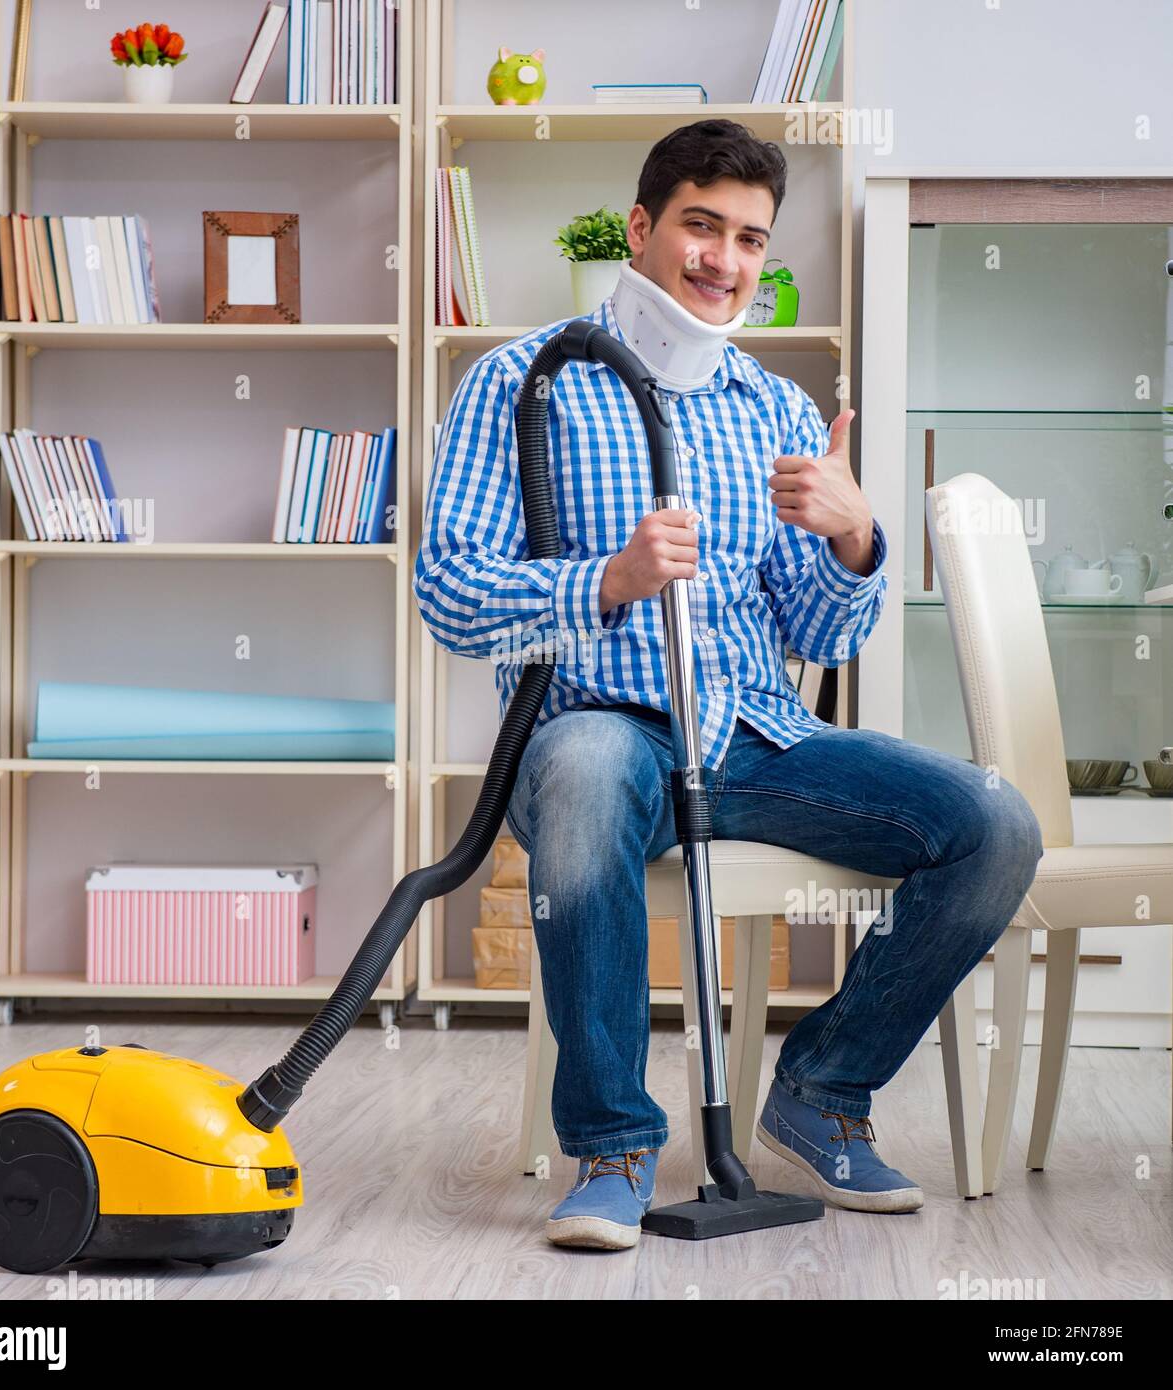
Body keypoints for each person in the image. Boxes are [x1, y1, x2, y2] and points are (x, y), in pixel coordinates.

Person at [413, 119, 1043, 1250]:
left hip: (754, 735)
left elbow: (817, 624)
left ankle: (820, 1091)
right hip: (587, 731)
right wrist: (603, 580)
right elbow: (448, 592)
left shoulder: (774, 409)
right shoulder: (524, 384)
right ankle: (611, 1148)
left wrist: (855, 542)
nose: (725, 261)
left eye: (750, 238)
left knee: (993, 822)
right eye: (702, 226)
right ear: (644, 228)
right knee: (592, 771)